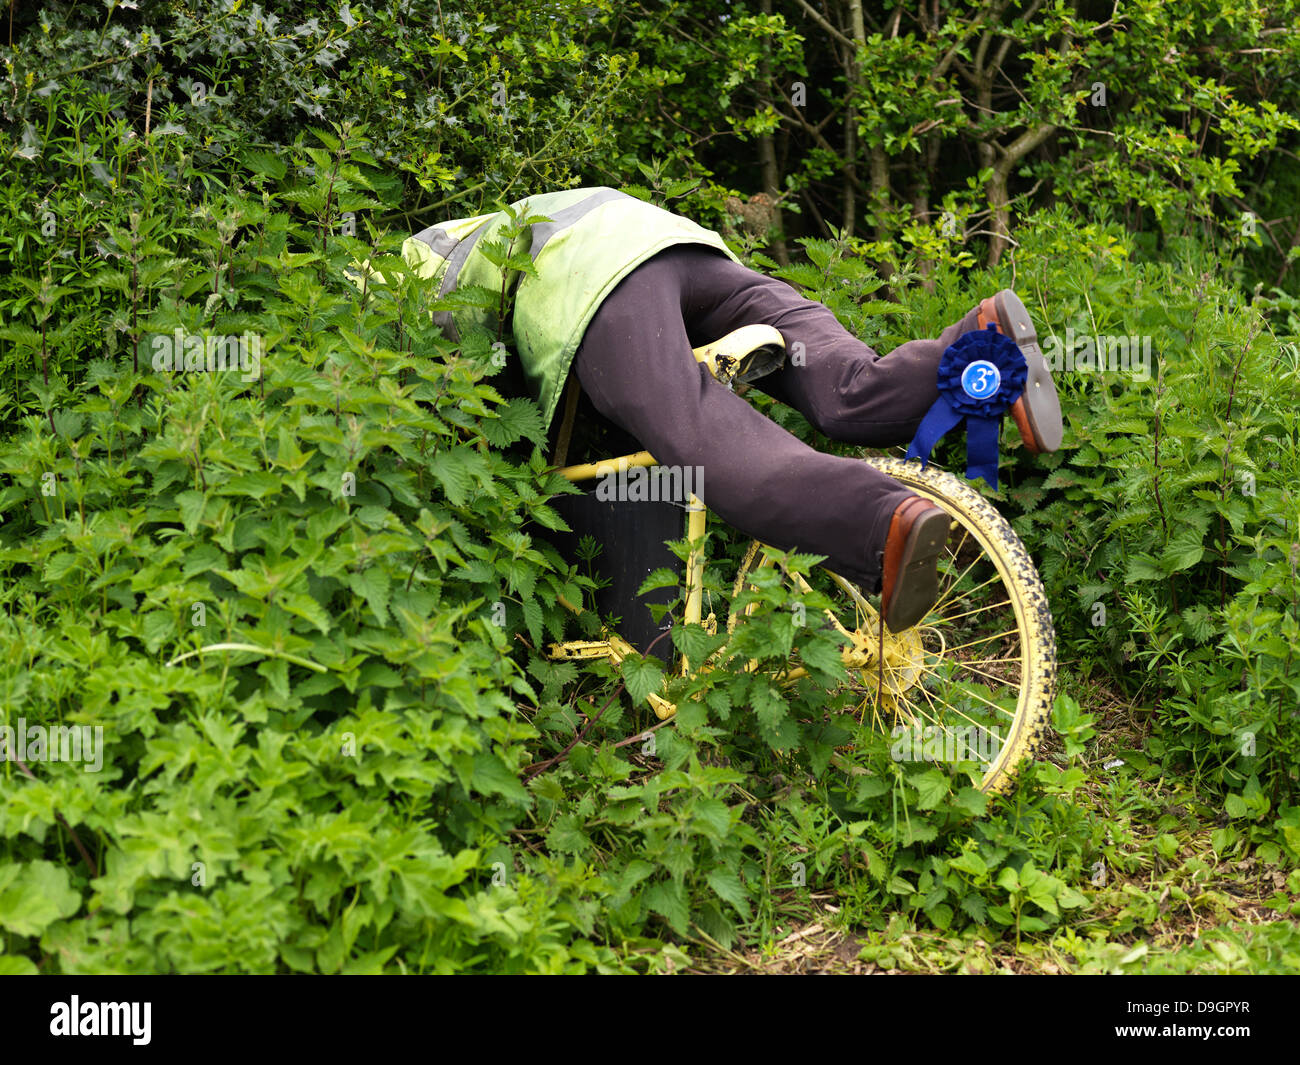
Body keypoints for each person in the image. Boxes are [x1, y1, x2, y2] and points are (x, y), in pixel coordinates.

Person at [400, 186, 1062, 631]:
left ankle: (877, 523)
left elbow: (475, 400)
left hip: (599, 286)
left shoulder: (415, 270)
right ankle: (980, 347)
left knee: (699, 436)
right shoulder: (512, 214)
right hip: (685, 252)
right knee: (847, 386)